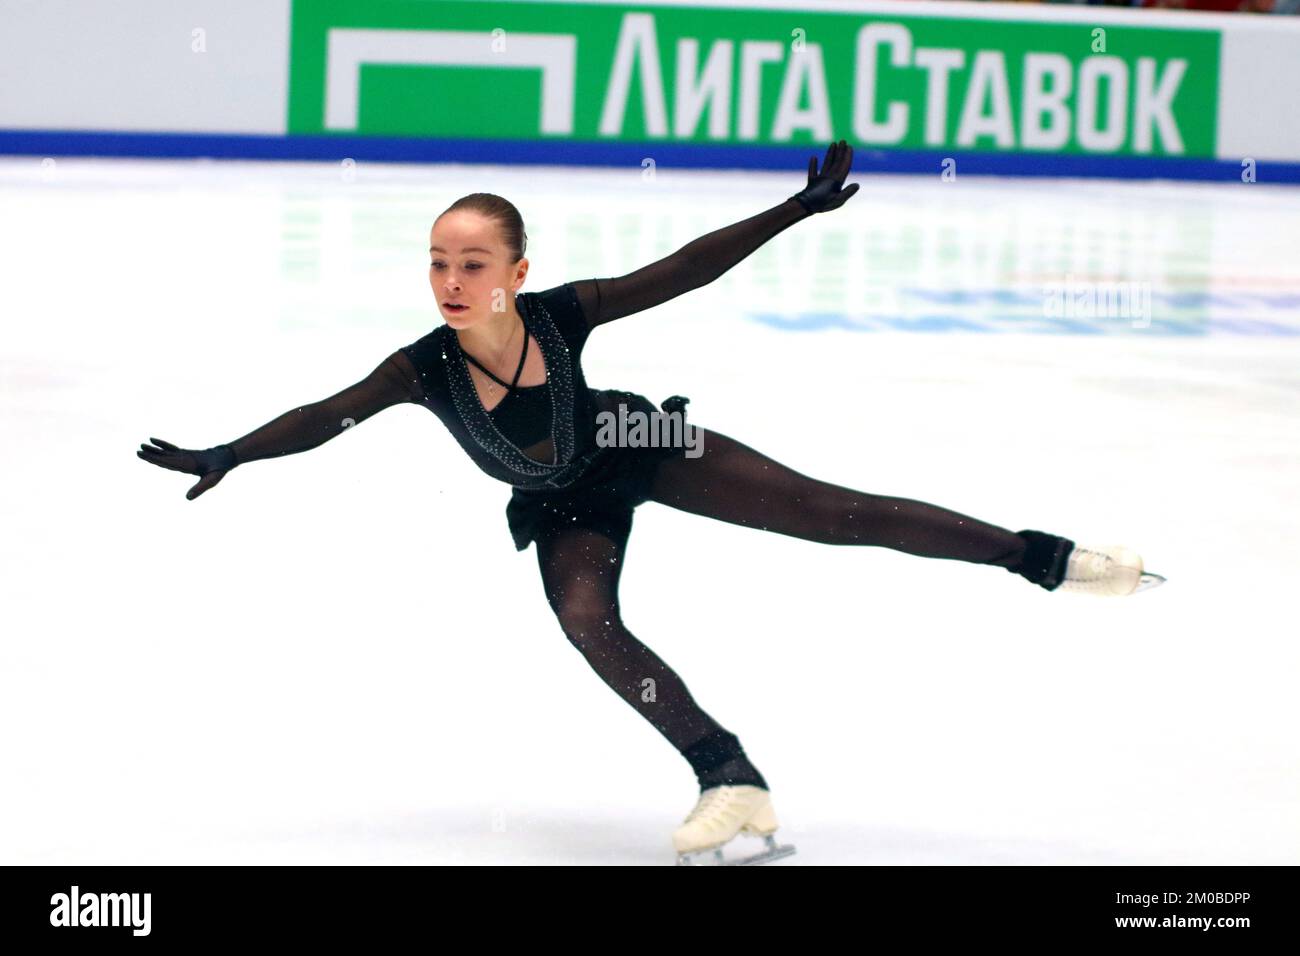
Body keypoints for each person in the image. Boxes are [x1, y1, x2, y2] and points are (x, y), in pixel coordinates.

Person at [138, 141, 1162, 865]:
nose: (450, 279)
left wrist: (791, 210)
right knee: (589, 619)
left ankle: (1041, 556)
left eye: (473, 262)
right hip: (559, 501)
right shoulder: (422, 365)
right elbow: (327, 412)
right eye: (439, 261)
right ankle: (729, 774)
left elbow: (679, 271)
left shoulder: (560, 313)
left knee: (829, 510)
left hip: (638, 445)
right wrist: (232, 450)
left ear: (515, 271)